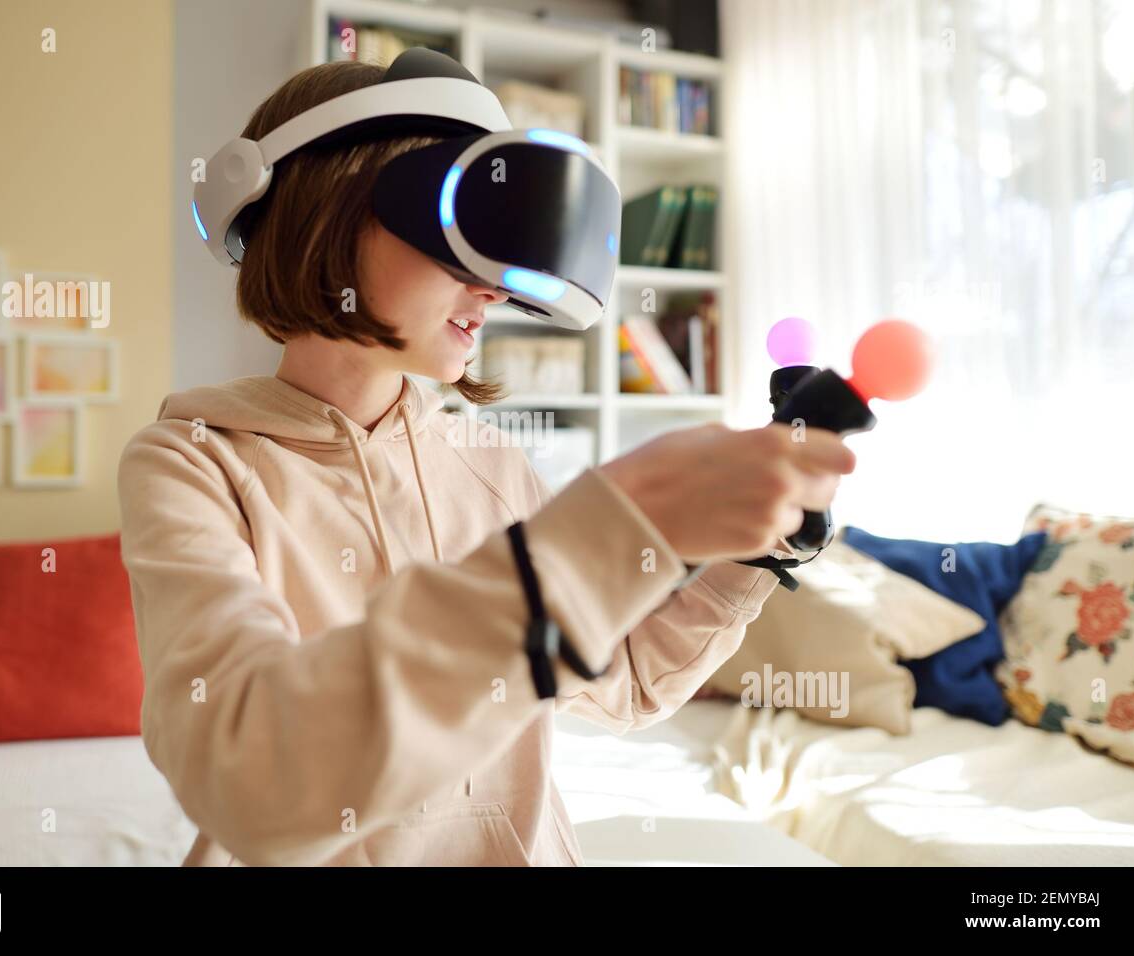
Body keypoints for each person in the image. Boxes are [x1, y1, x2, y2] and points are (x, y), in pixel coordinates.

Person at [117, 59, 855, 867]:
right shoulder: (191, 466)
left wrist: (757, 551)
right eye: (460, 229)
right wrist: (590, 536)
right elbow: (245, 775)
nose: (496, 289)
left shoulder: (488, 463)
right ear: (326, 207)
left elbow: (631, 682)